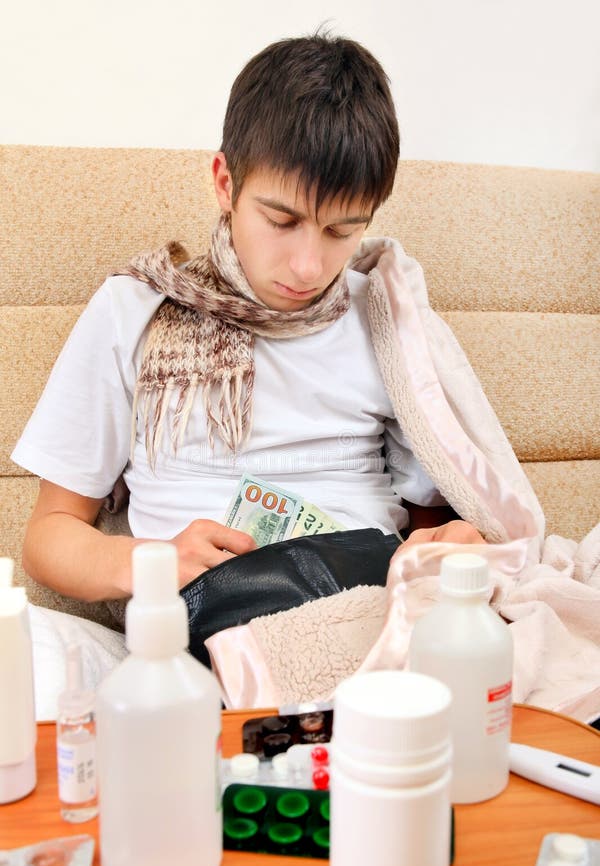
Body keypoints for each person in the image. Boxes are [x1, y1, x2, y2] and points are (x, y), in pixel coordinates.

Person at [12, 33, 483, 606]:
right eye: (281, 221)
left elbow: (432, 515)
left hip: (376, 592)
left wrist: (449, 543)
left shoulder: (387, 318)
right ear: (225, 183)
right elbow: (49, 535)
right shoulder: (133, 308)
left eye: (342, 230)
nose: (309, 266)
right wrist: (156, 562)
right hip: (216, 608)